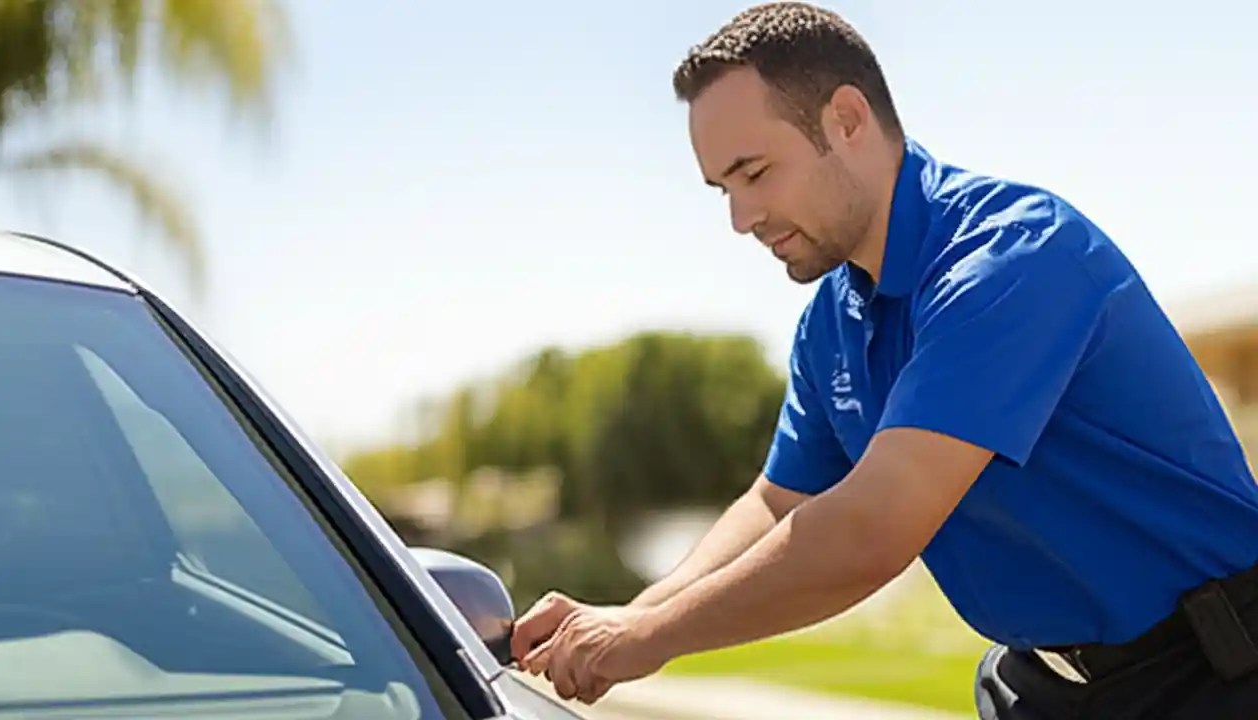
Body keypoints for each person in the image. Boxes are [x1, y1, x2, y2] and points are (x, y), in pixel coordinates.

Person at [509, 3, 1258, 717]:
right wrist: (630, 617)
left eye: (756, 173)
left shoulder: (1012, 259)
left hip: (1216, 676)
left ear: (847, 120)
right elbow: (779, 503)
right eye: (723, 189)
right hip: (1046, 686)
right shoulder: (832, 320)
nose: (740, 219)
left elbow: (873, 529)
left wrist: (648, 639)